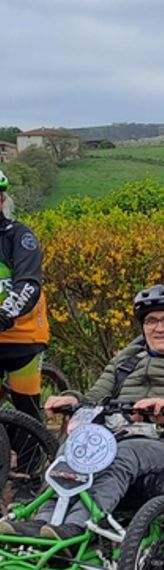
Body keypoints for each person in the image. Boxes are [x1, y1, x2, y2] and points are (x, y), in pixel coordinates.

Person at [0, 286, 164, 539]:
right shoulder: (127, 360)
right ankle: (44, 522)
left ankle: (77, 527)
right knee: (72, 449)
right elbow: (93, 398)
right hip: (116, 433)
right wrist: (71, 399)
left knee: (120, 456)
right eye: (151, 321)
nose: (159, 328)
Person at [0, 169, 51, 424]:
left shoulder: (19, 236)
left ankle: (33, 462)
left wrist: (5, 313)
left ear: (1, 200)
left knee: (25, 411)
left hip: (22, 335)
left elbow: (29, 284)